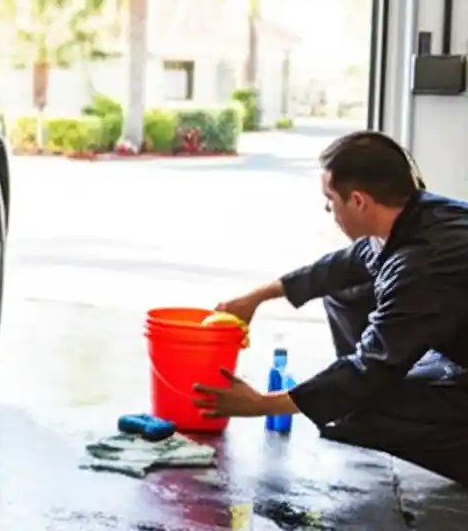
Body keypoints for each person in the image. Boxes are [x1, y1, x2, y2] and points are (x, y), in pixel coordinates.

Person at [196, 130, 468, 484]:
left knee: (357, 409)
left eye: (330, 199)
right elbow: (346, 265)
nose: (328, 209)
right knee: (345, 292)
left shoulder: (423, 265)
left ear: (358, 201)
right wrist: (255, 298)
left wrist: (260, 404)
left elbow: (370, 368)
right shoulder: (419, 213)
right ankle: (372, 389)